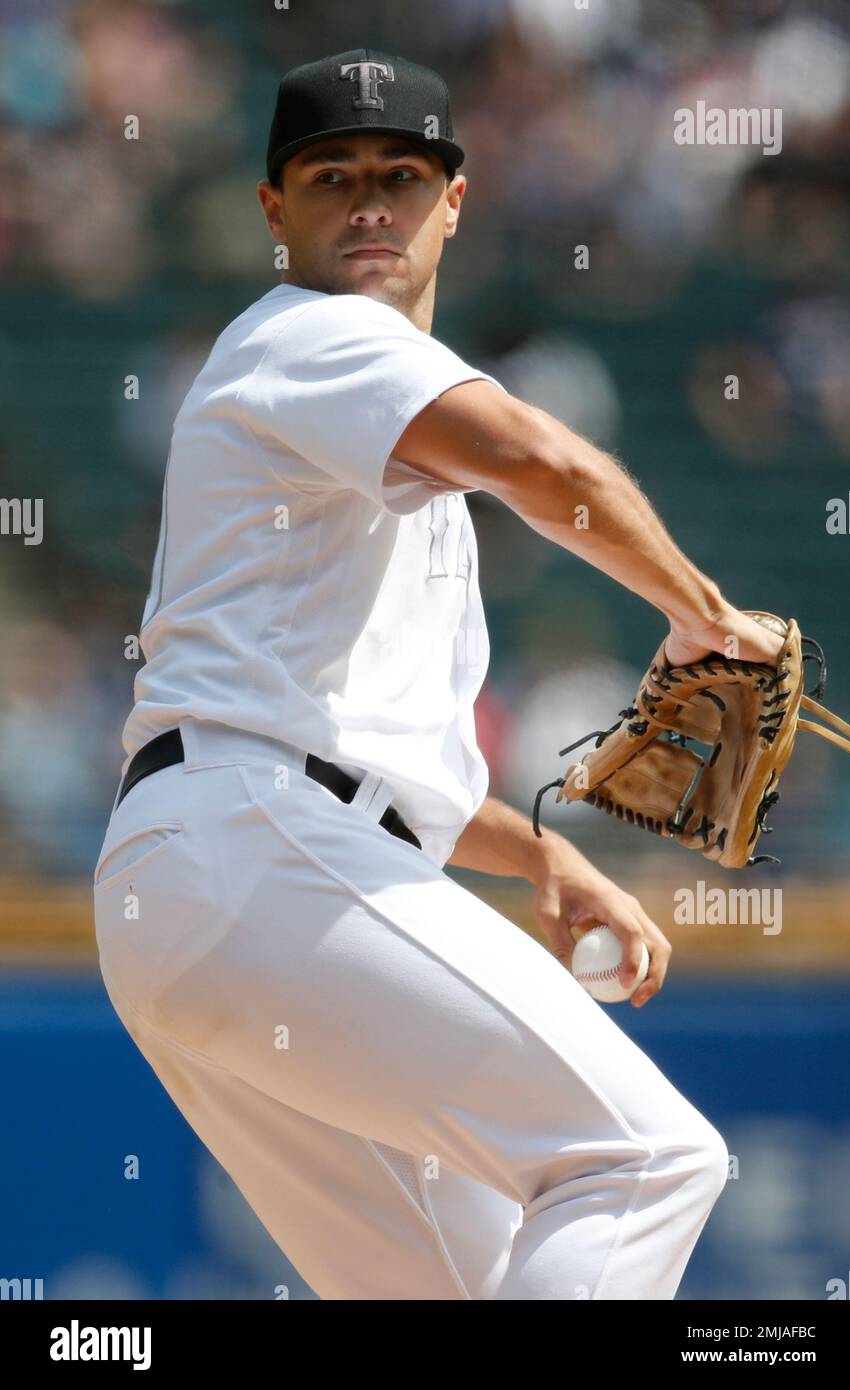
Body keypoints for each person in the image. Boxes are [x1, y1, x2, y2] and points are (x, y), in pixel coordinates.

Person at [93, 48, 782, 1300]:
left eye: (400, 176)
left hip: (217, 880)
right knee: (644, 1157)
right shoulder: (311, 339)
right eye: (330, 175)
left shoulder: (387, 474)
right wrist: (700, 617)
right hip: (253, 849)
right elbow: (537, 457)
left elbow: (370, 758)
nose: (367, 202)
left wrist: (546, 859)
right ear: (272, 212)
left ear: (452, 202)